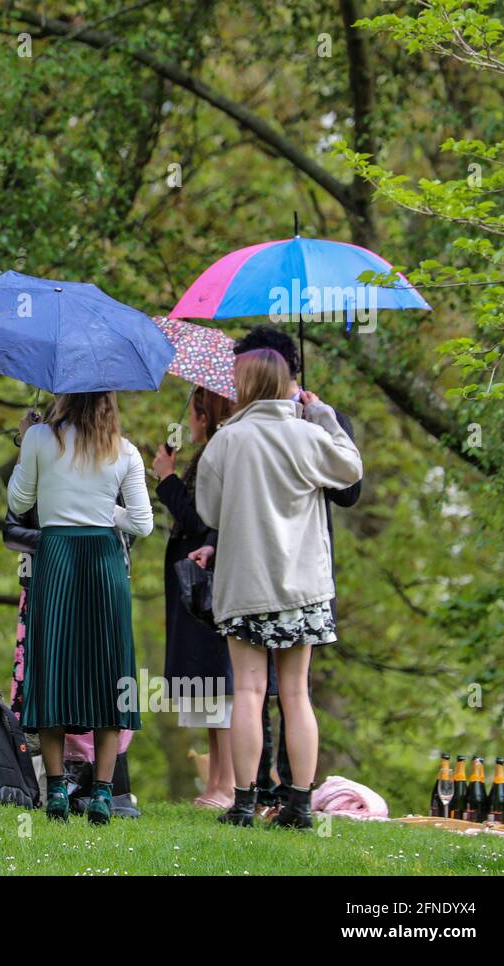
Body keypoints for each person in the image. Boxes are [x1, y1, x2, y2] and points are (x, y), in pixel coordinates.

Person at [196, 325, 362, 818]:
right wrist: (324, 417)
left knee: (247, 692)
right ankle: (300, 804)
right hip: (302, 588)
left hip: (245, 586)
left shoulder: (227, 441)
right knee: (296, 692)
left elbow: (208, 510)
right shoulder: (308, 435)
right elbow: (351, 470)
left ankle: (243, 803)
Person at [8, 391, 153, 824]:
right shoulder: (125, 451)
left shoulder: (38, 437)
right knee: (110, 672)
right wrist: (105, 511)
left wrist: (26, 446)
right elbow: (142, 523)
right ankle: (105, 795)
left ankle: (55, 791)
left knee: (51, 665)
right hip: (105, 563)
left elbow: (19, 503)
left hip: (54, 558)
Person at [4, 505, 141, 818]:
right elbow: (11, 529)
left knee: (104, 680)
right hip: (52, 578)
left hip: (98, 575)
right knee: (56, 680)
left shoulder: (116, 459)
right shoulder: (35, 469)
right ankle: (61, 786)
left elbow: (135, 525)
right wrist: (57, 541)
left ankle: (105, 789)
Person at [152, 386, 237, 809]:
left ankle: (227, 783)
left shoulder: (219, 452)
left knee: (219, 685)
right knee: (208, 688)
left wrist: (166, 478)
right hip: (197, 586)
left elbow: (199, 522)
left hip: (208, 584)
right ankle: (217, 781)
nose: (190, 422)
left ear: (207, 414)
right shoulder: (210, 453)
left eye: (196, 414)